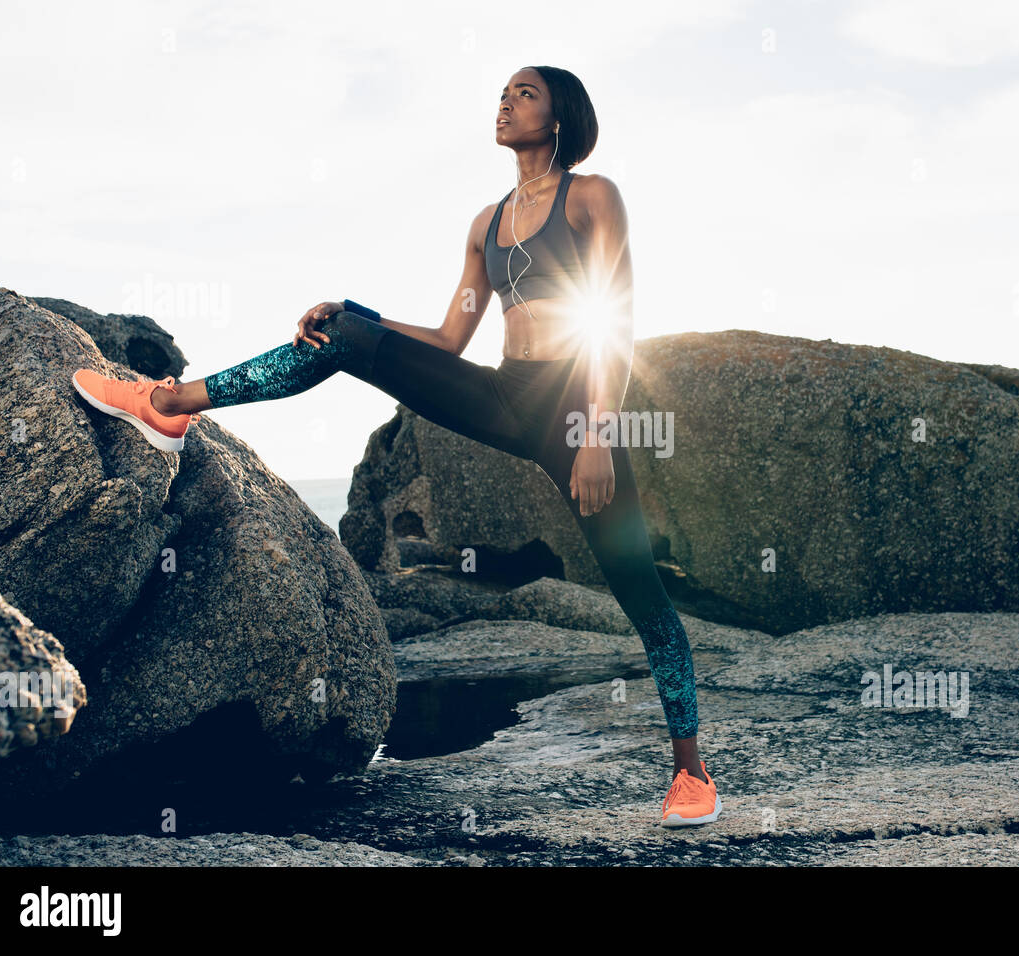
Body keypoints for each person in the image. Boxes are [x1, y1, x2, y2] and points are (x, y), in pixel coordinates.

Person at [71, 65, 720, 827]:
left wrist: (599, 436)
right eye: (503, 93)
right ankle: (171, 404)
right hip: (504, 395)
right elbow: (451, 336)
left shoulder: (593, 196)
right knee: (337, 334)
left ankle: (692, 773)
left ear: (561, 115)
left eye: (525, 93)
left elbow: (615, 316)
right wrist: (361, 315)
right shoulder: (488, 222)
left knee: (640, 591)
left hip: (577, 410)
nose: (506, 102)